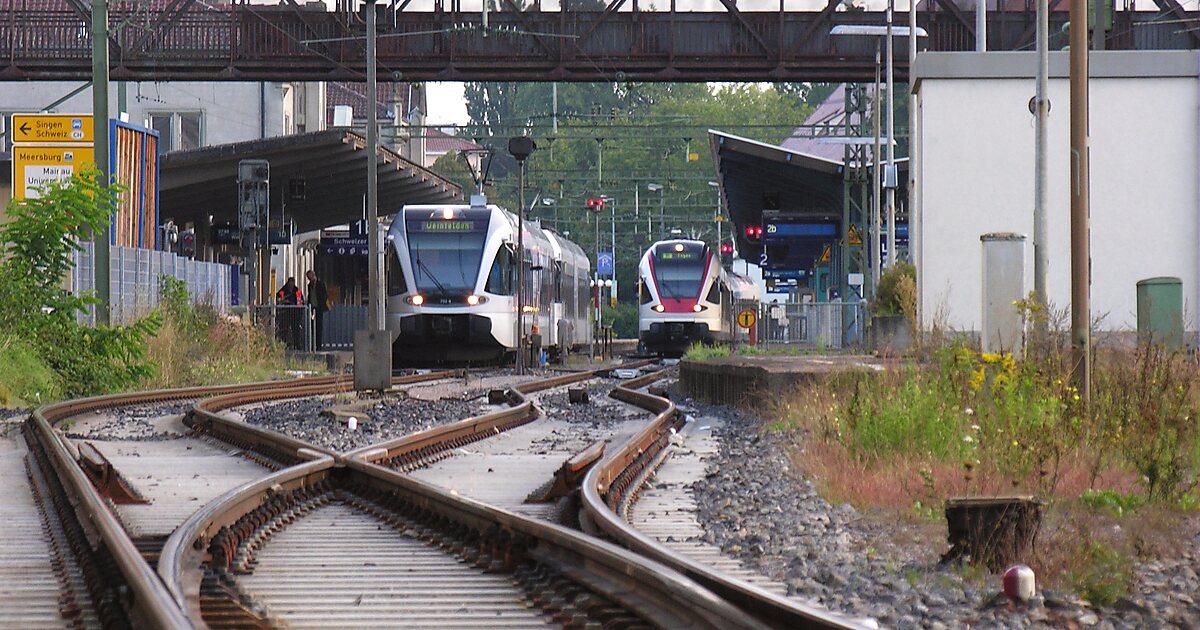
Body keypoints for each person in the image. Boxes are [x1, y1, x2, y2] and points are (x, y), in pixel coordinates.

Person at [276, 277, 302, 348]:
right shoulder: (283, 290)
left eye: (292, 283)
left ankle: (297, 345)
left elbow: (300, 301)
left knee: (296, 330)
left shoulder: (297, 291)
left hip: (295, 314)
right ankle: (283, 344)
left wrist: (295, 303)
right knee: (284, 329)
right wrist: (283, 300)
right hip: (285, 313)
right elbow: (278, 298)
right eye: (289, 283)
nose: (291, 285)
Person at [306, 270, 329, 350]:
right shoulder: (309, 285)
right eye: (308, 278)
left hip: (318, 308)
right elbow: (310, 295)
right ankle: (314, 344)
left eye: (310, 277)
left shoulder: (320, 284)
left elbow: (324, 295)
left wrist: (321, 304)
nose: (309, 279)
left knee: (319, 326)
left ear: (313, 275)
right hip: (312, 308)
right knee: (312, 326)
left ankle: (318, 345)